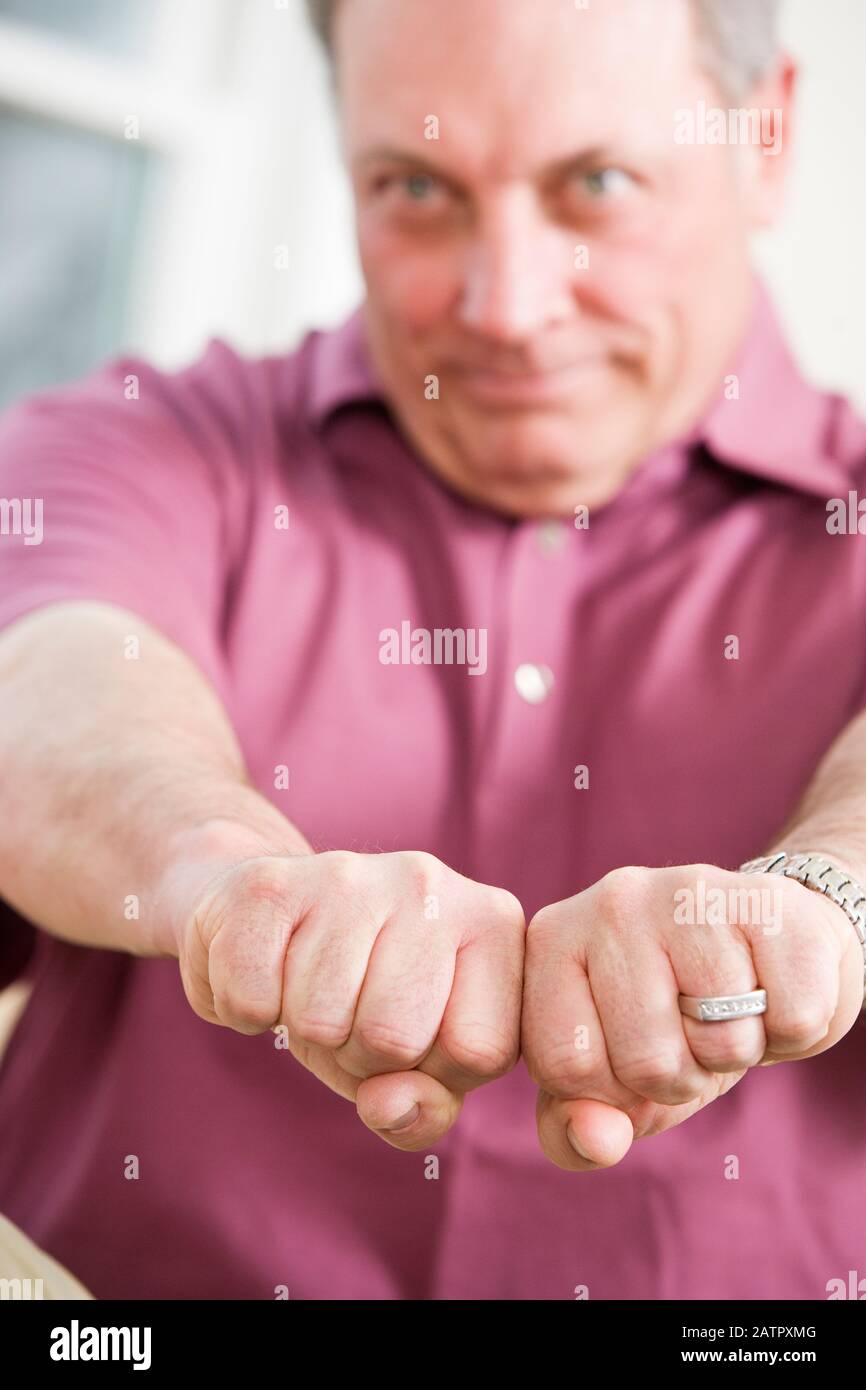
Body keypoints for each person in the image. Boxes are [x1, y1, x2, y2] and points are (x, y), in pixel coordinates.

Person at [0, 0, 864, 1300]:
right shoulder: (137, 443)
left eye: (597, 183)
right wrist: (223, 880)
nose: (504, 304)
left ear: (767, 136)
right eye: (414, 186)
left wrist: (816, 907)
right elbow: (48, 679)